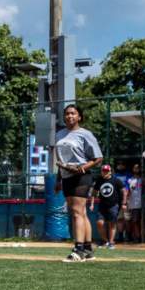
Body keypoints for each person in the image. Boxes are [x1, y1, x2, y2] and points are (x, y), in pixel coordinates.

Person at [55, 103, 103, 262]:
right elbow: (61, 160)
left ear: (79, 117)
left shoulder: (85, 134)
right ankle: (88, 250)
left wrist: (82, 169)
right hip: (66, 176)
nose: (69, 116)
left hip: (81, 176)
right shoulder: (59, 134)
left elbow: (98, 158)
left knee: (77, 212)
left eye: (73, 113)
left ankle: (78, 250)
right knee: (80, 213)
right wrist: (58, 179)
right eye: (67, 114)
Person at [89, 164, 126, 249]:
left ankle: (111, 242)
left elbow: (124, 191)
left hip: (113, 205)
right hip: (102, 205)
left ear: (110, 172)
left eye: (106, 171)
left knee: (112, 224)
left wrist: (124, 203)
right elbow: (93, 193)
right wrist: (91, 204)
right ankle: (106, 241)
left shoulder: (116, 180)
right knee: (99, 223)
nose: (105, 173)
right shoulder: (99, 181)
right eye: (103, 171)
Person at [125, 162, 145, 242]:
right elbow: (127, 191)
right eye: (135, 168)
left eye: (138, 168)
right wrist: (126, 201)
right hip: (133, 204)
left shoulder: (142, 179)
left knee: (143, 221)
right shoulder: (130, 179)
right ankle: (136, 237)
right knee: (134, 221)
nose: (136, 169)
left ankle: (144, 237)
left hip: (143, 204)